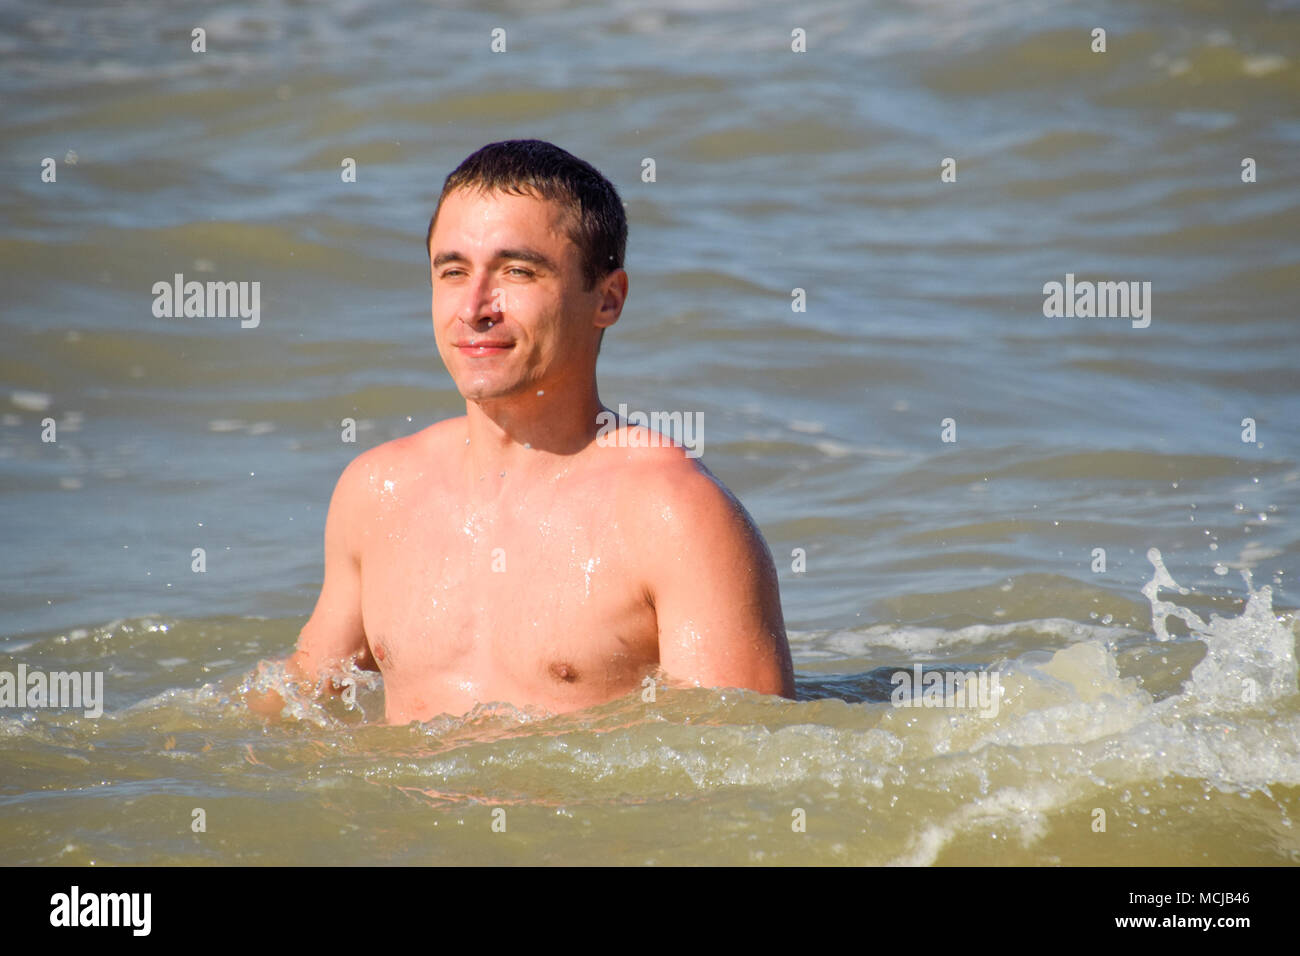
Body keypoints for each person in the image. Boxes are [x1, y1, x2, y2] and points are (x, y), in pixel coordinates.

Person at [249, 139, 794, 724]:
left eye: (517, 271)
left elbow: (743, 752)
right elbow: (294, 707)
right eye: (453, 272)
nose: (475, 308)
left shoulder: (674, 515)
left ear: (607, 299)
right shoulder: (378, 495)